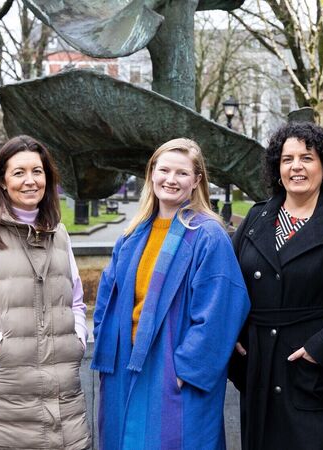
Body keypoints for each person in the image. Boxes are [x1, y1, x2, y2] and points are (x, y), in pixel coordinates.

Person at [230, 122, 323, 450]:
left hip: (314, 371)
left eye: (307, 158)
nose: (296, 166)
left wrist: (321, 347)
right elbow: (228, 286)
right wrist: (233, 338)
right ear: (277, 168)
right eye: (287, 159)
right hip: (260, 367)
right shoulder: (255, 221)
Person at [91, 138, 250, 450]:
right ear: (152, 174)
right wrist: (105, 338)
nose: (171, 179)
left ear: (196, 181)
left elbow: (219, 311)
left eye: (181, 173)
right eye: (164, 170)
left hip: (172, 366)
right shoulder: (134, 234)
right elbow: (107, 298)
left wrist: (187, 370)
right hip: (125, 363)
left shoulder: (206, 235)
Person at [0, 136, 90, 449]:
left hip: (63, 400)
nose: (30, 181)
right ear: (3, 181)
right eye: (19, 172)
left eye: (37, 171)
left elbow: (76, 299)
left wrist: (76, 337)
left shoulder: (60, 235)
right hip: (1, 405)